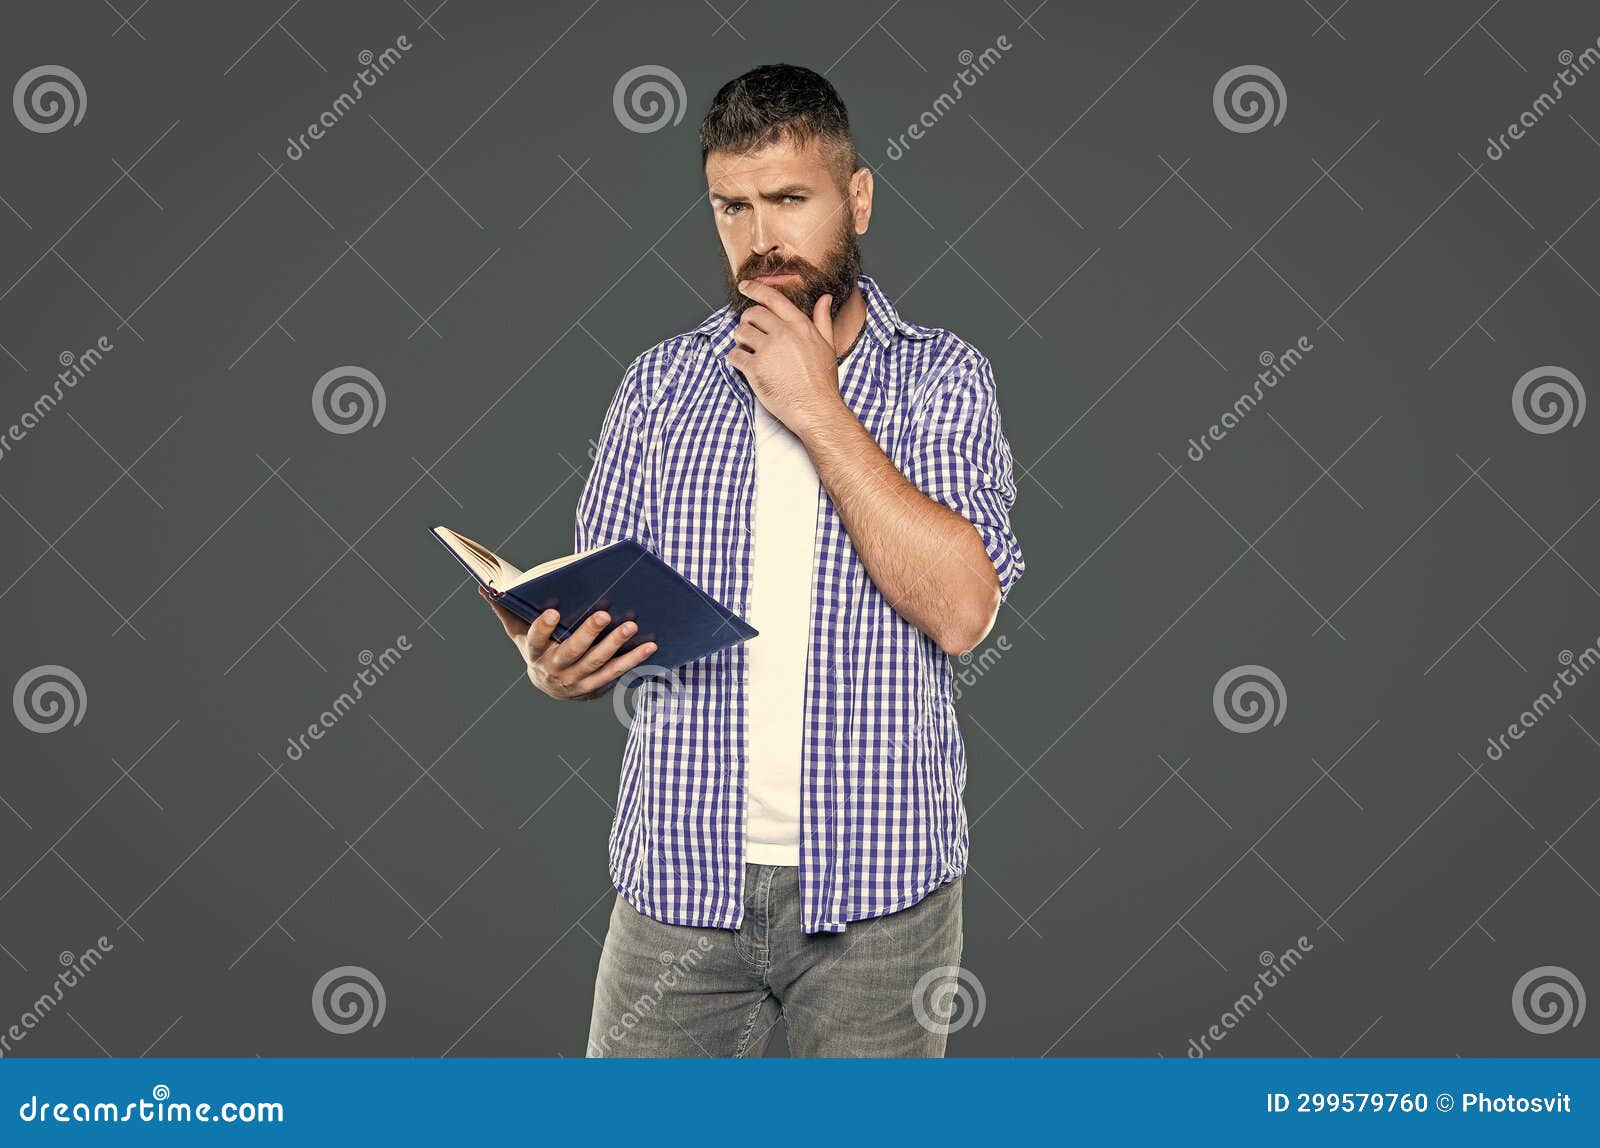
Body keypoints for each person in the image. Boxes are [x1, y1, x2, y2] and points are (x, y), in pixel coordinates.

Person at [480, 62, 1025, 1057]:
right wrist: (553, 662)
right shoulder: (659, 386)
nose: (759, 237)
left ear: (857, 199)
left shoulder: (941, 379)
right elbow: (604, 600)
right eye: (732, 207)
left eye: (788, 199)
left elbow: (962, 610)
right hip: (676, 885)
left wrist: (816, 405)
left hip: (882, 894)